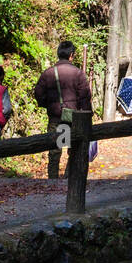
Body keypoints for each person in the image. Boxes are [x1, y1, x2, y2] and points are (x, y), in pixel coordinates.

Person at [34, 41, 92, 180]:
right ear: (71, 55)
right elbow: (85, 97)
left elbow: (38, 93)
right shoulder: (78, 74)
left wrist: (48, 105)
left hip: (55, 117)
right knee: (74, 149)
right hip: (73, 118)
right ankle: (68, 177)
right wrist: (87, 116)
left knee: (55, 150)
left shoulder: (48, 73)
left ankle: (53, 180)